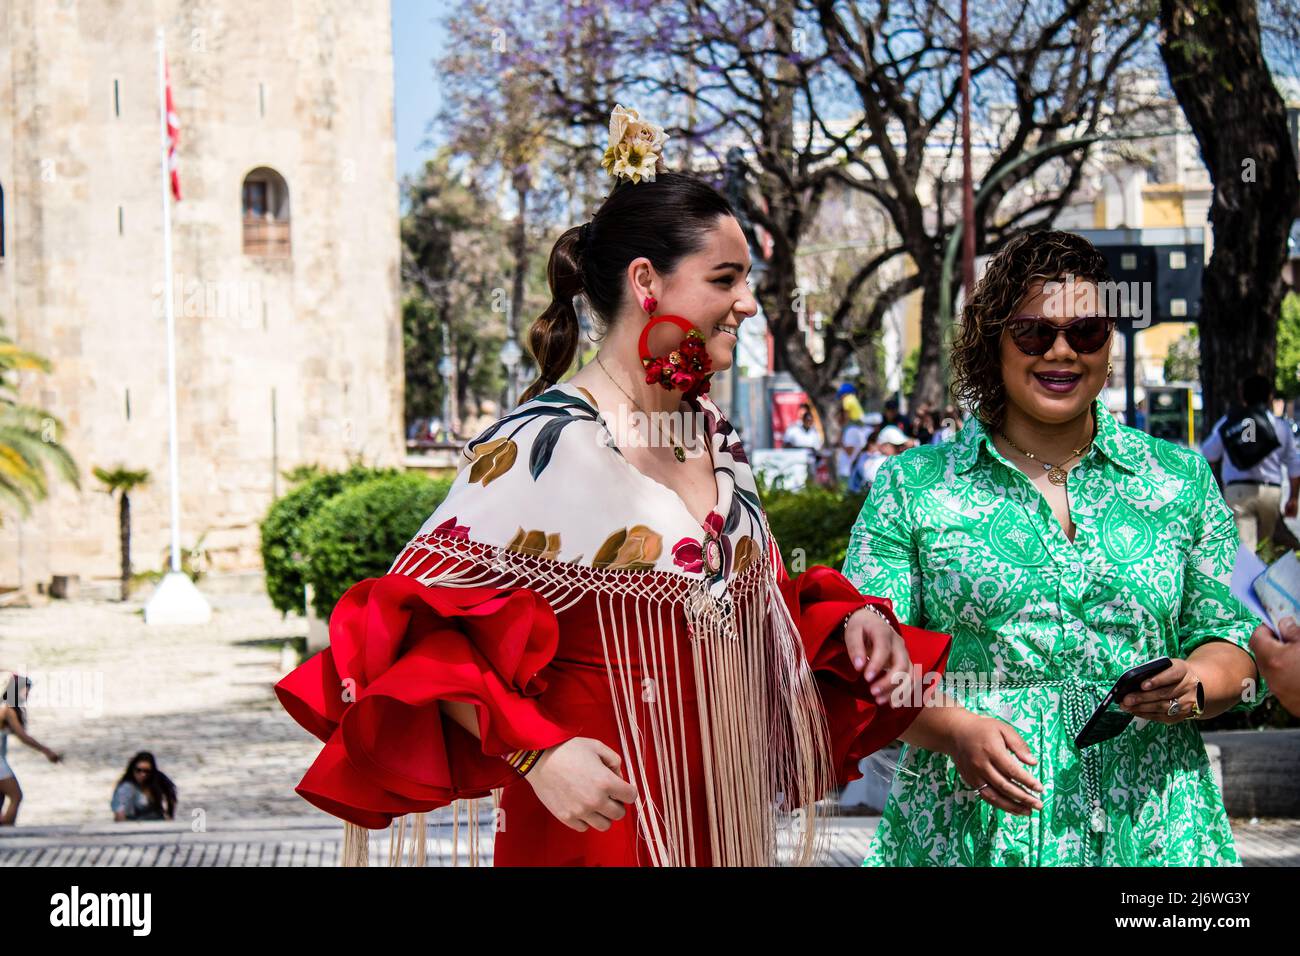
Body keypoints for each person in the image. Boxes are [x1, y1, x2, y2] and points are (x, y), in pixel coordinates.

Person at [275, 105, 952, 868]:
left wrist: (856, 621)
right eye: (725, 279)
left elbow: (739, 611)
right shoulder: (544, 442)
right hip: (595, 829)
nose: (749, 303)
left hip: (719, 825)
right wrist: (536, 752)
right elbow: (404, 628)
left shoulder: (714, 438)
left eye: (749, 281)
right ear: (646, 284)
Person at [843, 230, 1266, 866]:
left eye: (1086, 332)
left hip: (1154, 829)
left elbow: (1231, 635)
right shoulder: (915, 486)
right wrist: (954, 729)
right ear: (995, 340)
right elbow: (871, 664)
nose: (1061, 352)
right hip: (971, 829)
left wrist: (1195, 684)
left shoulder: (1179, 480)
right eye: (1035, 333)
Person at [1199, 374, 1300, 552]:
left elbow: (1208, 454)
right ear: (1270, 396)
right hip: (1271, 493)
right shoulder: (1280, 426)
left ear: (1242, 396)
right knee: (1264, 546)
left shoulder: (1228, 424)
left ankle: (1249, 577)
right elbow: (1294, 464)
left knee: (1244, 551)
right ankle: (1264, 574)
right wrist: (1293, 497)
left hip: (1237, 493)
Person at [0, 672, 63, 826]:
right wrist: (46, 751)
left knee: (1, 798)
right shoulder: (7, 709)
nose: (27, 694)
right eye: (24, 690)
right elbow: (23, 737)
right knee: (16, 796)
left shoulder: (10, 709)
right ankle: (7, 834)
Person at [110, 751, 177, 821]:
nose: (142, 774)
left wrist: (169, 816)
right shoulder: (126, 788)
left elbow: (171, 795)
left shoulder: (157, 780)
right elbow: (119, 812)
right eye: (138, 770)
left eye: (146, 771)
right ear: (133, 769)